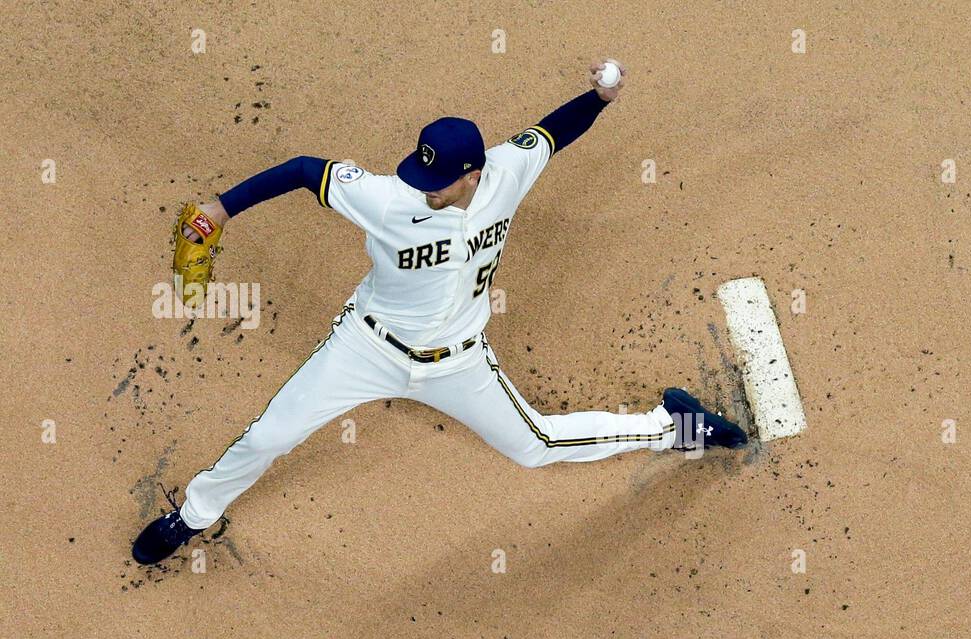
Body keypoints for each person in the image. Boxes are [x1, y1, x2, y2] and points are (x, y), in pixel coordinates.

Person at [133, 59, 747, 565]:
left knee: (535, 447)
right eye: (419, 172)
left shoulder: (506, 171)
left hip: (460, 364)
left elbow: (553, 134)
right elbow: (301, 170)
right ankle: (192, 514)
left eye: (438, 182)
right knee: (270, 434)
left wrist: (600, 98)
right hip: (365, 349)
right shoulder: (386, 196)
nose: (423, 187)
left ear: (473, 174)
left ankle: (675, 425)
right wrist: (219, 208)